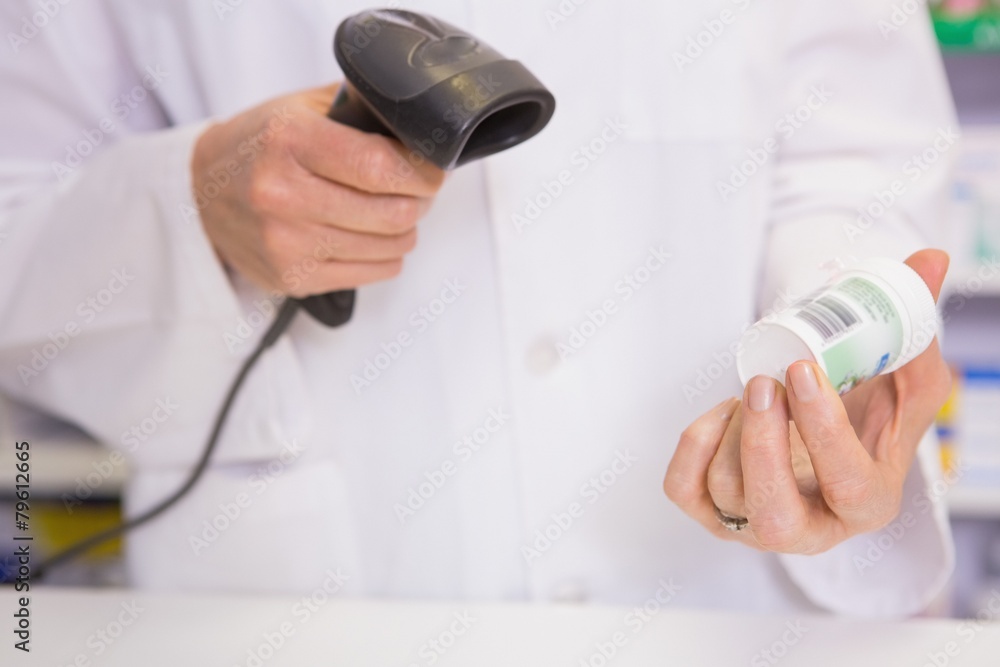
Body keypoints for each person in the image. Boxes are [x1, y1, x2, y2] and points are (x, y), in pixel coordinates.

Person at [0, 0, 958, 616]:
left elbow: (853, 164)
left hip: (717, 606)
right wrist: (192, 200)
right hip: (309, 603)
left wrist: (833, 345)